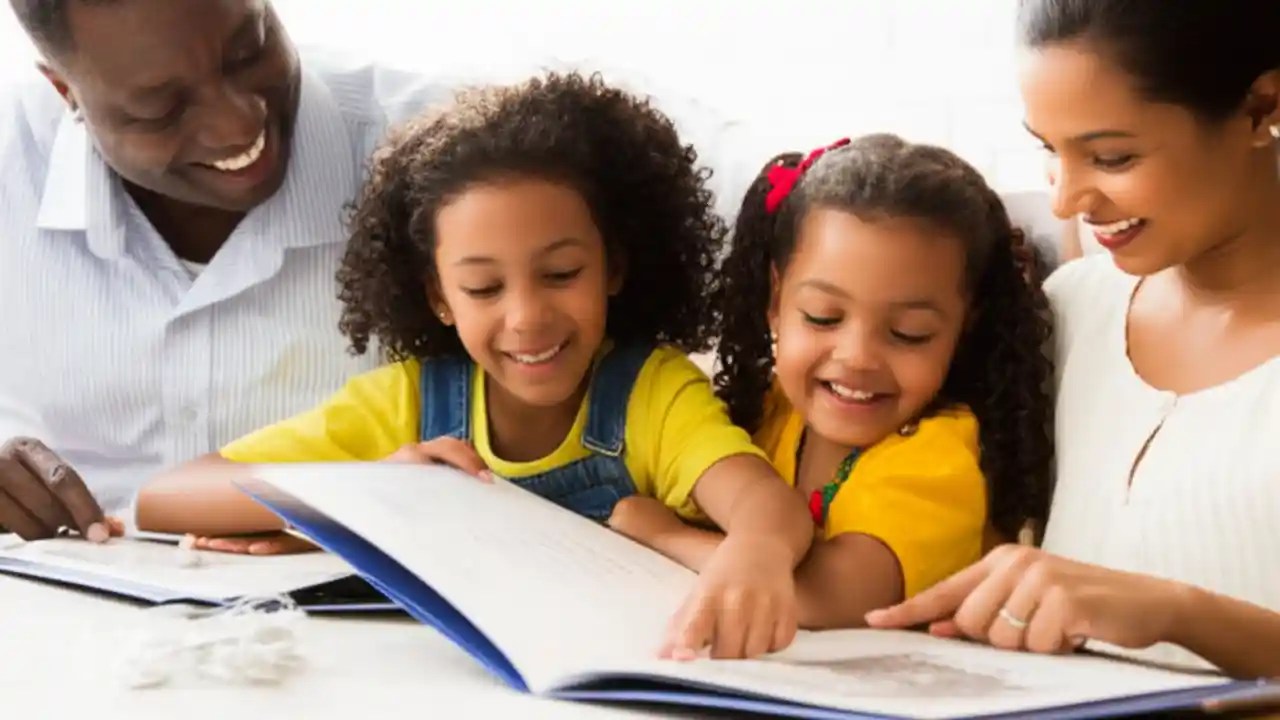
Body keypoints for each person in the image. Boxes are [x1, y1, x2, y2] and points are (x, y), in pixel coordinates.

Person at [133, 72, 814, 661]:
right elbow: (165, 498)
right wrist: (366, 498)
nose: (526, 318)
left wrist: (757, 550)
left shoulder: (652, 395)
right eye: (484, 289)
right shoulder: (405, 402)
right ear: (438, 297)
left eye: (560, 273)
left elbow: (765, 506)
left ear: (615, 265)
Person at [868, 0, 1280, 680]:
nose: (1065, 201)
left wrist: (1177, 612)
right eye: (1049, 149)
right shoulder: (1067, 312)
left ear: (1262, 107)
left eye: (1111, 156)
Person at [0, 0, 460, 537]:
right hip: (66, 607)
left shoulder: (456, 161)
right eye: (162, 109)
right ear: (66, 93)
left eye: (248, 52)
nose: (237, 125)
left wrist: (342, 516)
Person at [608, 133, 1055, 630]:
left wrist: (665, 536)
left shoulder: (942, 455)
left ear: (964, 327)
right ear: (776, 302)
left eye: (909, 334)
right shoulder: (774, 409)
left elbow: (828, 598)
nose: (857, 358)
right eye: (822, 317)